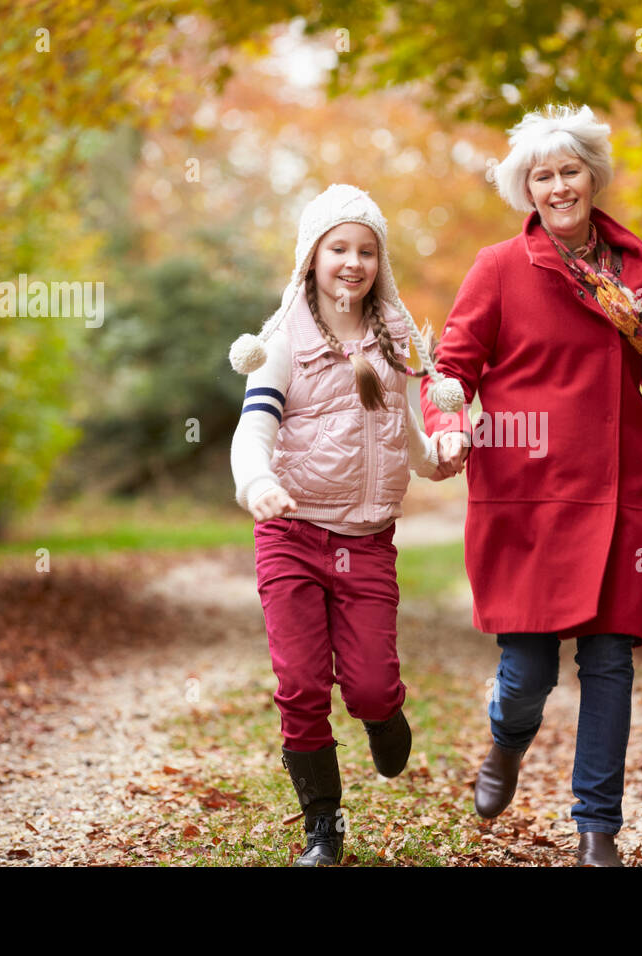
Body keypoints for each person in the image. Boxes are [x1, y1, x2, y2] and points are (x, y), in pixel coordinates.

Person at [421, 104, 642, 867]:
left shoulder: (633, 282)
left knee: (609, 662)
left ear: (592, 177)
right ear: (528, 190)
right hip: (527, 503)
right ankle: (505, 745)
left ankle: (596, 831)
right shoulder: (499, 269)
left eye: (569, 171)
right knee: (527, 674)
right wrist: (446, 425)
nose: (558, 186)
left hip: (617, 503)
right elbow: (449, 370)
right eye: (541, 176)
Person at [227, 183, 462, 866]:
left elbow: (405, 435)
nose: (352, 262)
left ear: (378, 263)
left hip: (367, 544)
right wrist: (258, 482)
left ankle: (384, 715)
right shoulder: (279, 345)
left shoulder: (394, 341)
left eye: (366, 250)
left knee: (369, 686)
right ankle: (322, 829)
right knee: (301, 683)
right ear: (311, 258)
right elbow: (252, 433)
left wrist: (438, 460)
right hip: (291, 536)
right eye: (338, 248)